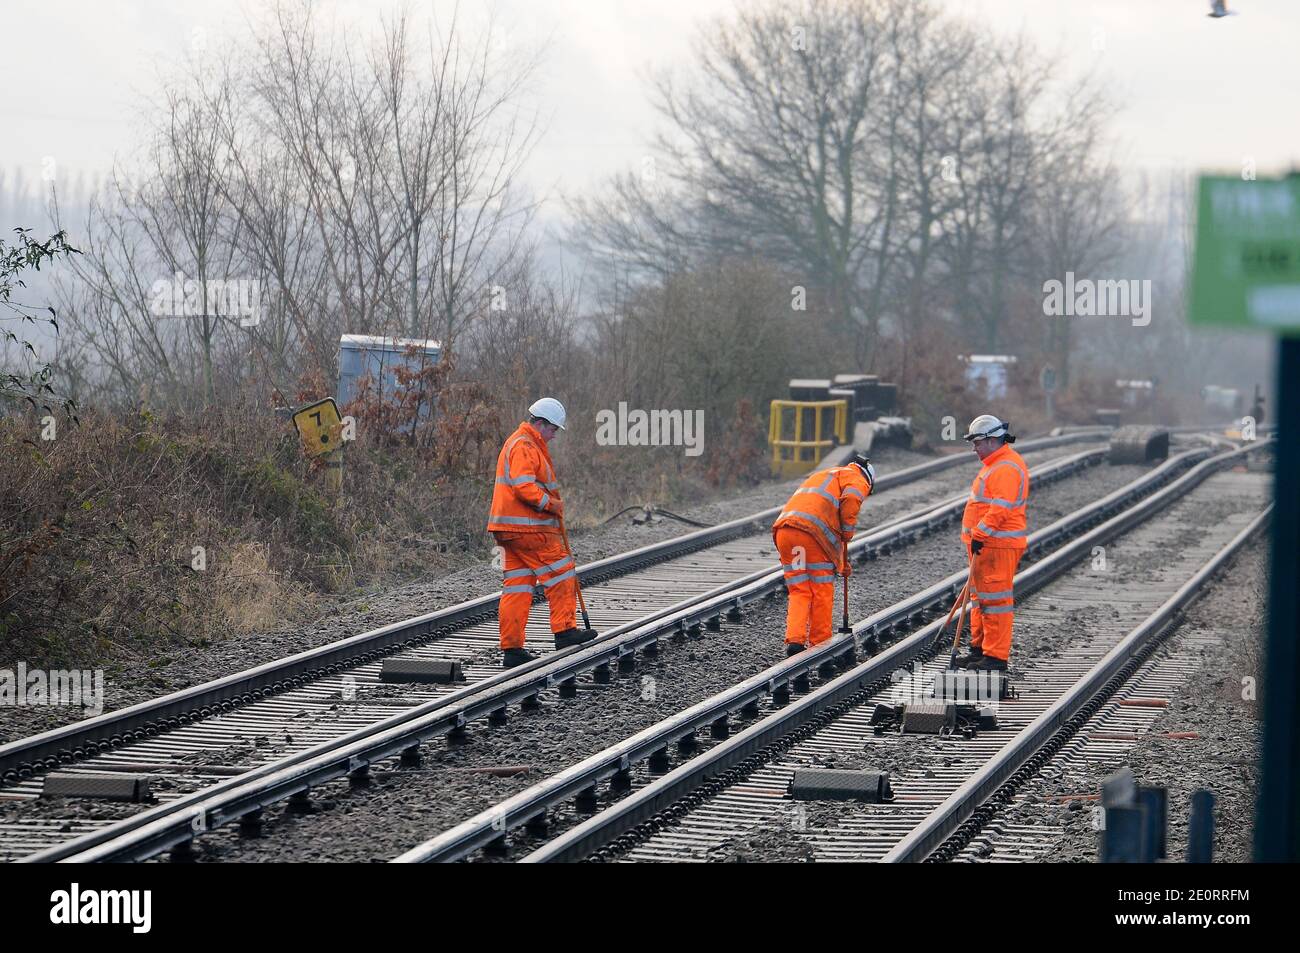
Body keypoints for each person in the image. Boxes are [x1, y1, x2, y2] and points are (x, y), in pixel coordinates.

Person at [487, 397, 595, 668]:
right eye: (553, 430)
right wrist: (551, 504)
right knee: (561, 571)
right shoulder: (525, 445)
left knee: (518, 586)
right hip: (527, 528)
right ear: (541, 424)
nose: (554, 435)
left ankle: (512, 649)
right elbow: (523, 486)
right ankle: (565, 630)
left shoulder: (519, 442)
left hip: (508, 530)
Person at [772, 453, 876, 656]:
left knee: (799, 590)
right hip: (810, 535)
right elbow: (852, 498)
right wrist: (847, 532)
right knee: (821, 590)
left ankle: (795, 641)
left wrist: (841, 562)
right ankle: (820, 645)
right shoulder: (857, 478)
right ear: (869, 480)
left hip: (785, 532)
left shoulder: (828, 475)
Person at [956, 414, 1029, 672]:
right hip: (986, 545)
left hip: (997, 545)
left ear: (991, 440)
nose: (974, 448)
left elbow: (1001, 509)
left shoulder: (1006, 467)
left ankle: (995, 658)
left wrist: (980, 534)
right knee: (980, 600)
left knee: (995, 602)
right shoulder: (995, 463)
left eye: (976, 442)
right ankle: (980, 650)